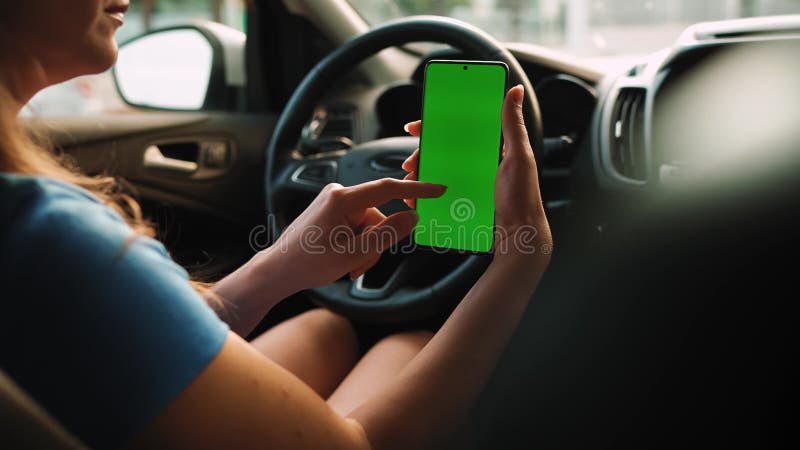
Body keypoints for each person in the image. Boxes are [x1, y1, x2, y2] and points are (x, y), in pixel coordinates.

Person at [0, 1, 551, 449]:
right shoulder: (49, 237)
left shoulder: (28, 222)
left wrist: (282, 263)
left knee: (326, 328)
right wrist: (520, 261)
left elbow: (127, 342)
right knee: (403, 344)